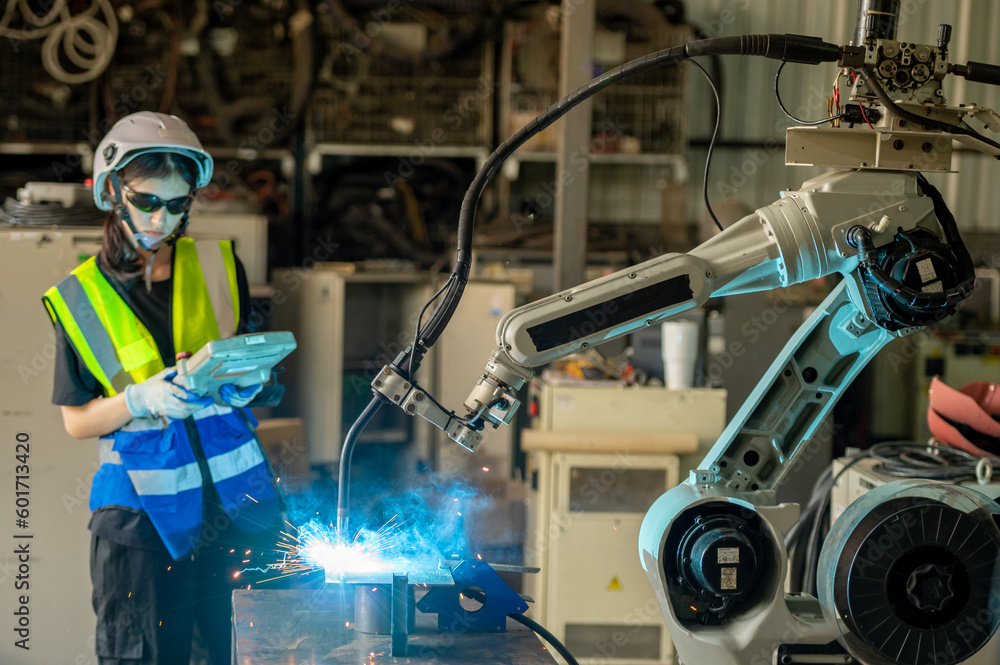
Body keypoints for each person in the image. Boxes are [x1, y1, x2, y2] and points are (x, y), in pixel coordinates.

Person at [42, 111, 283, 665]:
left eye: (177, 204)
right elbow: (76, 421)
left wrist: (253, 385)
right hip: (139, 524)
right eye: (148, 201)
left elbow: (248, 361)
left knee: (250, 651)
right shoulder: (79, 298)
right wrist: (138, 399)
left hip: (237, 506)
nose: (162, 218)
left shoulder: (221, 265)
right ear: (112, 192)